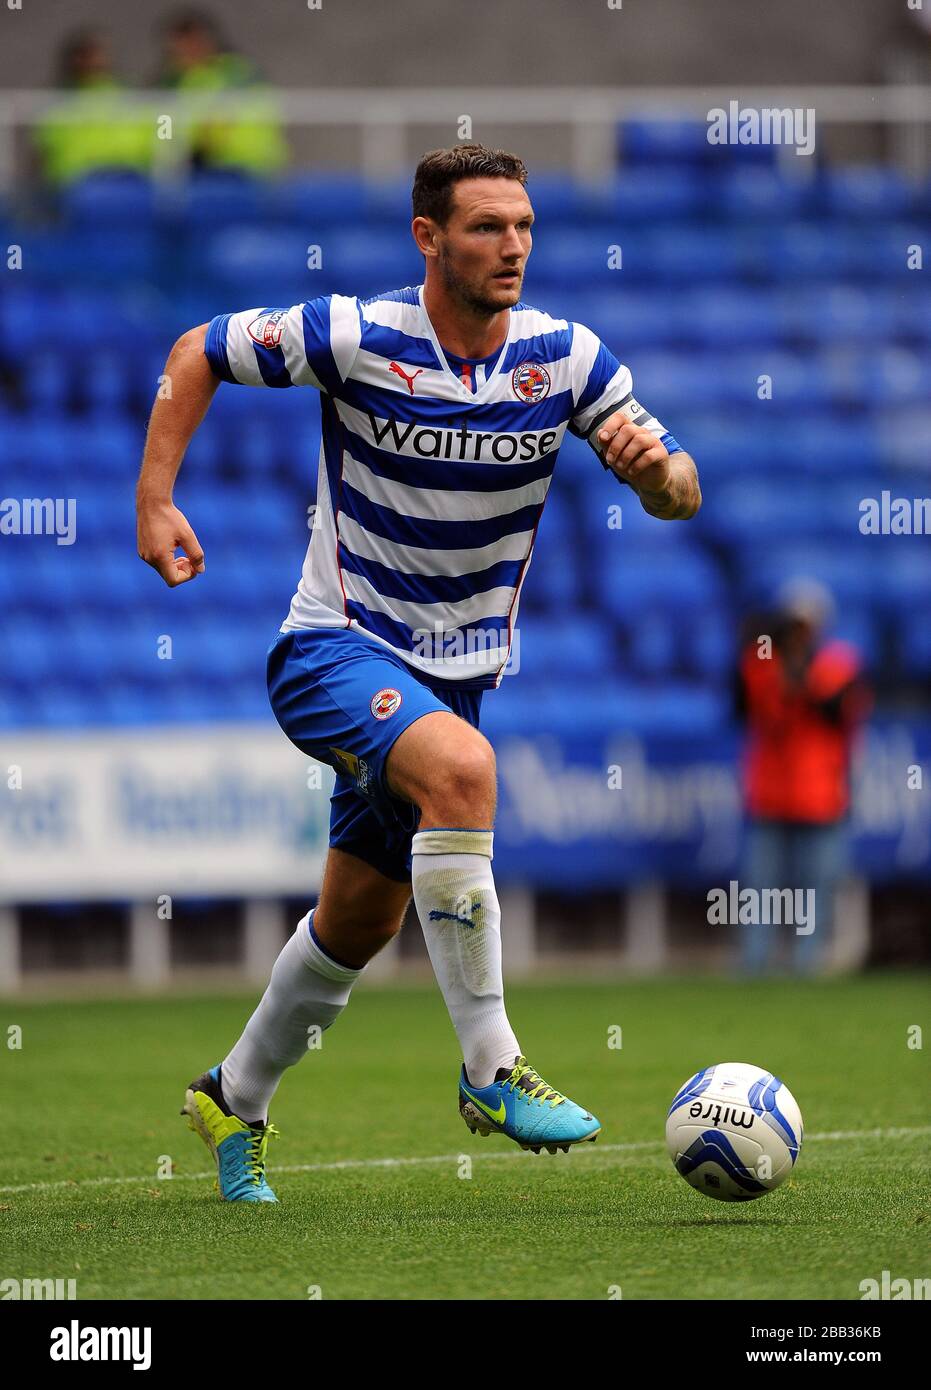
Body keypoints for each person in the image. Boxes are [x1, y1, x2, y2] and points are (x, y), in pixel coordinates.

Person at [136, 144, 701, 1202]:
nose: (513, 246)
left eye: (524, 226)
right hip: (331, 649)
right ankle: (491, 1067)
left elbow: (682, 489)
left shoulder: (565, 359)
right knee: (464, 773)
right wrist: (156, 497)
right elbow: (195, 348)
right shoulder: (356, 334)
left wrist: (656, 476)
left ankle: (234, 1095)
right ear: (427, 238)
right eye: (487, 226)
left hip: (459, 674)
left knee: (358, 923)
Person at [735, 579, 871, 976]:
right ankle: (754, 964)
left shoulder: (836, 664)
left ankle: (806, 966)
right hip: (772, 794)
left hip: (821, 796)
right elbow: (755, 706)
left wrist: (798, 670)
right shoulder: (764, 664)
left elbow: (835, 708)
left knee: (816, 887)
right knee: (762, 888)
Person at [157, 9, 287, 175]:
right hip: (198, 171)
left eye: (192, 43)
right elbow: (164, 132)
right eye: (180, 47)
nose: (187, 51)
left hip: (245, 170)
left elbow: (215, 130)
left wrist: (195, 146)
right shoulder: (173, 82)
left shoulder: (235, 75)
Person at [34, 30, 154, 185]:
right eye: (85, 55)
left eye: (95, 54)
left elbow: (155, 140)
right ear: (73, 60)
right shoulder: (56, 106)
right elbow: (46, 154)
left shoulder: (132, 99)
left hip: (130, 177)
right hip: (78, 183)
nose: (92, 61)